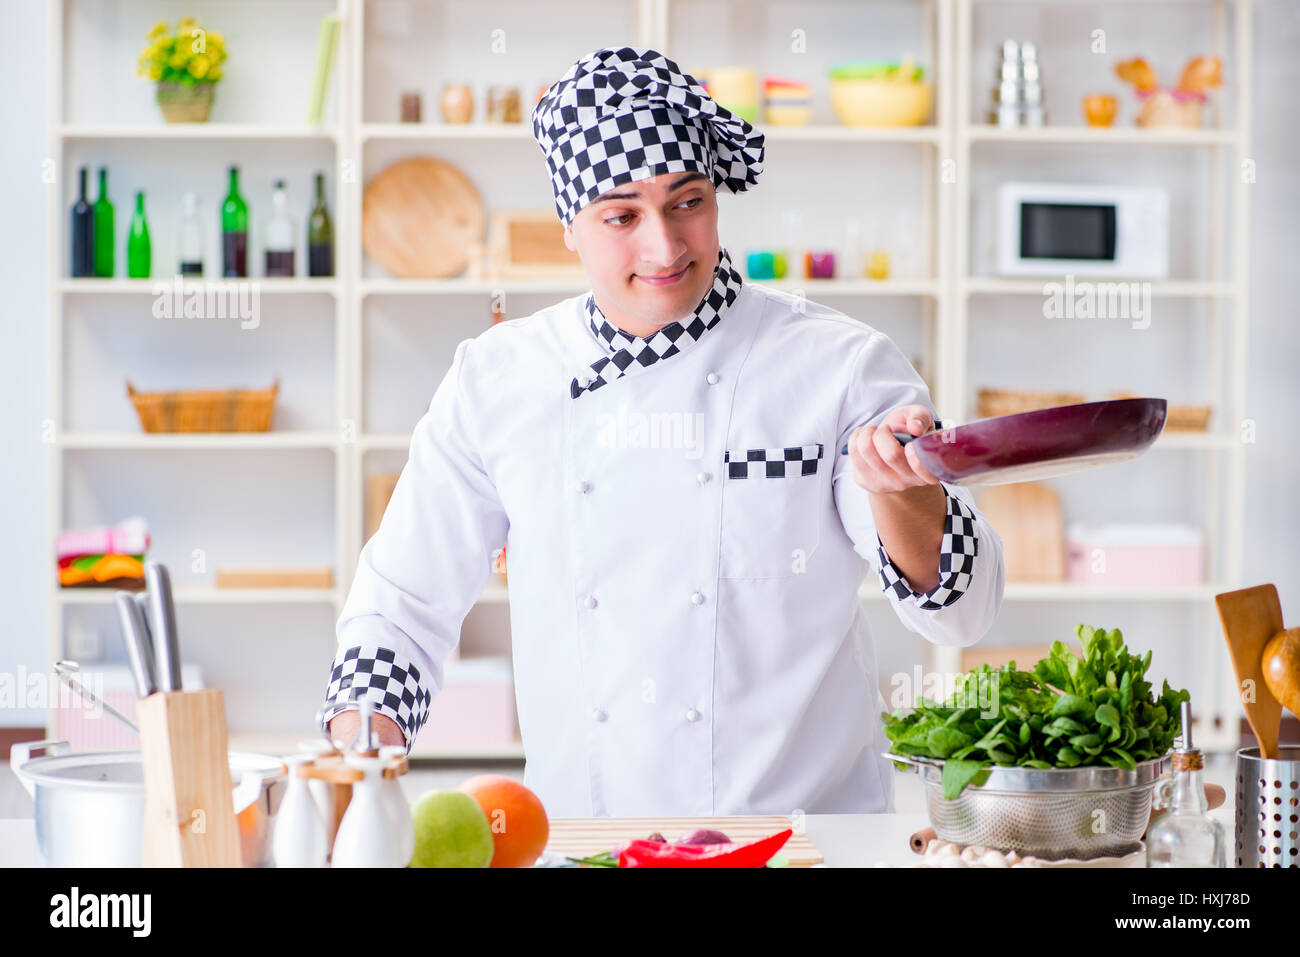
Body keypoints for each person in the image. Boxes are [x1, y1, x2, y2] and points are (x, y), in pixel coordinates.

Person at [320, 46, 1005, 816]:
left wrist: (903, 495)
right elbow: (404, 601)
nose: (665, 247)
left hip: (803, 844)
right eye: (622, 215)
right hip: (588, 843)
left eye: (689, 202)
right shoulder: (498, 379)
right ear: (569, 224)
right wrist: (363, 748)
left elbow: (962, 612)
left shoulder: (837, 366)